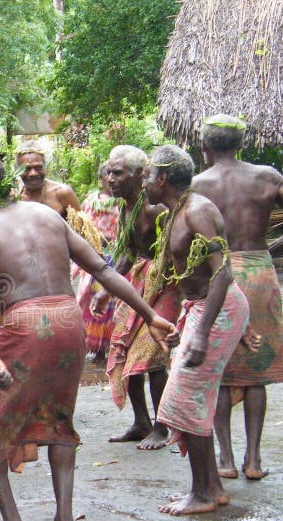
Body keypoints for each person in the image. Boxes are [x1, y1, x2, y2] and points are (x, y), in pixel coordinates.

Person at [0, 157, 178, 521]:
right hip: (67, 318)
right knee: (59, 420)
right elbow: (105, 270)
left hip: (24, 324)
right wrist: (150, 315)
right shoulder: (46, 215)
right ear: (9, 184)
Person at [192, 114, 283, 480]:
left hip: (220, 275)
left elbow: (190, 238)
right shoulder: (267, 176)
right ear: (242, 144)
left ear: (204, 147)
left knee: (219, 369)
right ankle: (254, 461)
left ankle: (226, 460)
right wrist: (273, 249)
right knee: (255, 372)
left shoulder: (199, 185)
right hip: (259, 271)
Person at [144, 145, 251, 515]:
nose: (144, 183)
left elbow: (224, 272)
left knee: (185, 398)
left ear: (161, 178)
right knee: (191, 398)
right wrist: (185, 322)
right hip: (202, 309)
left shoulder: (199, 210)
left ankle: (203, 493)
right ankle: (212, 487)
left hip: (217, 308)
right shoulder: (174, 212)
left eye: (146, 175)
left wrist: (202, 332)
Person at [94, 145, 181, 450]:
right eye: (109, 172)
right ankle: (141, 421)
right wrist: (107, 288)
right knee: (123, 348)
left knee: (150, 356)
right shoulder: (126, 207)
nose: (110, 178)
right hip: (140, 282)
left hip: (166, 284)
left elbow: (175, 250)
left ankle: (162, 425)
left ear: (139, 176)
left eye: (118, 173)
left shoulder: (155, 208)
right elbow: (130, 252)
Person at [73, 161, 121, 362]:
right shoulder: (91, 201)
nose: (110, 181)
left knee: (113, 301)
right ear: (101, 179)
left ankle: (110, 345)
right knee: (88, 297)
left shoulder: (123, 203)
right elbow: (82, 226)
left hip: (116, 256)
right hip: (95, 255)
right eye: (106, 176)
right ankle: (94, 346)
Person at [15, 140, 80, 216]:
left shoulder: (62, 193)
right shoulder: (14, 196)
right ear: (17, 171)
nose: (33, 173)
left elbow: (81, 227)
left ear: (45, 168)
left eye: (38, 167)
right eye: (26, 169)